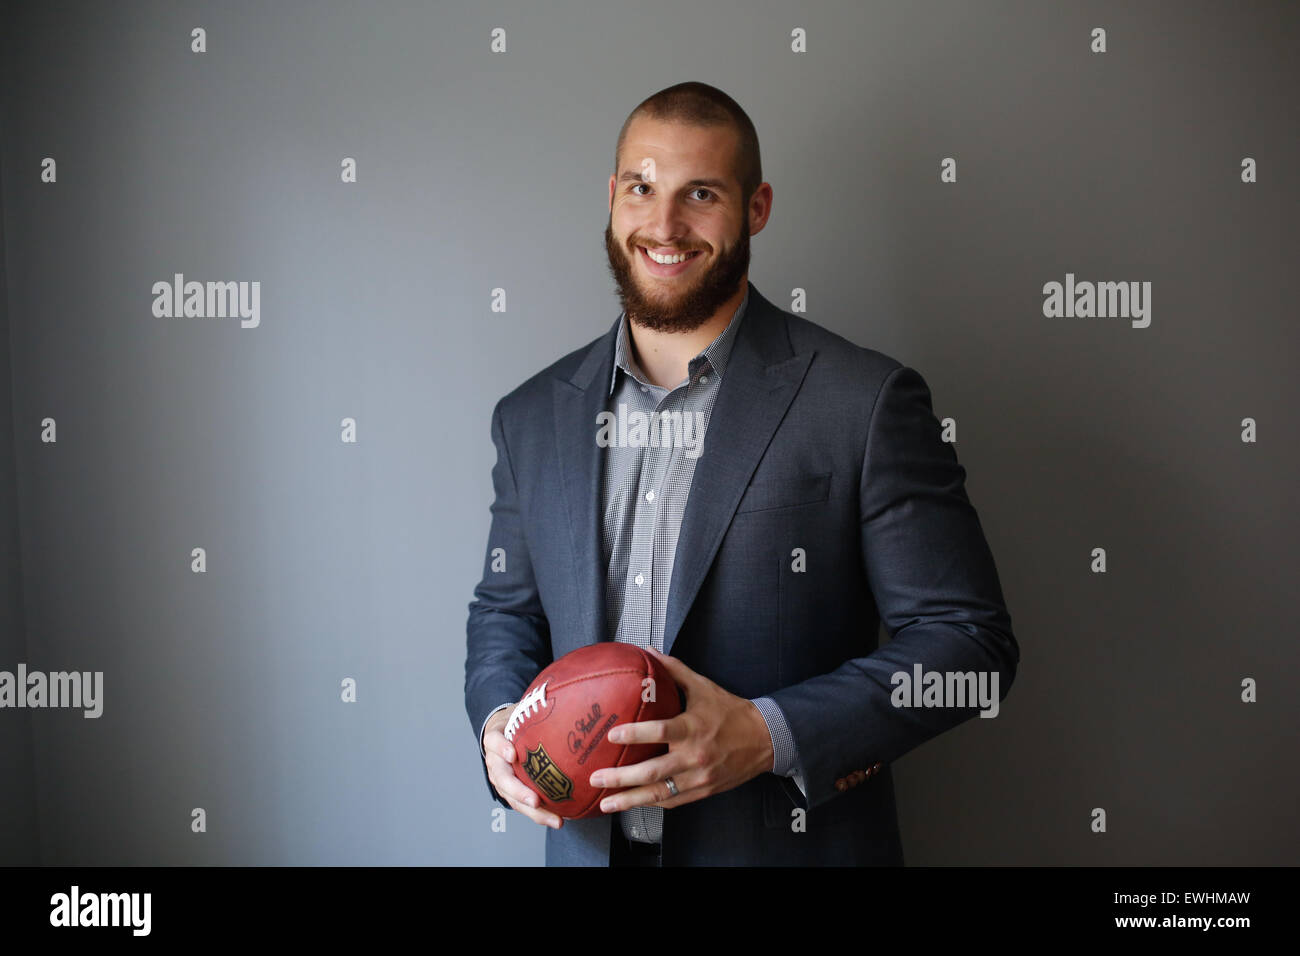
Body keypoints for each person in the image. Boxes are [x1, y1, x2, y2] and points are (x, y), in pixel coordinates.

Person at [464, 81, 1019, 866]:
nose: (663, 225)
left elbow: (970, 644)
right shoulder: (530, 418)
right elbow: (504, 614)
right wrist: (497, 728)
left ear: (755, 208)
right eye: (641, 189)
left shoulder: (862, 402)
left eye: (700, 194)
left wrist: (765, 736)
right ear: (612, 197)